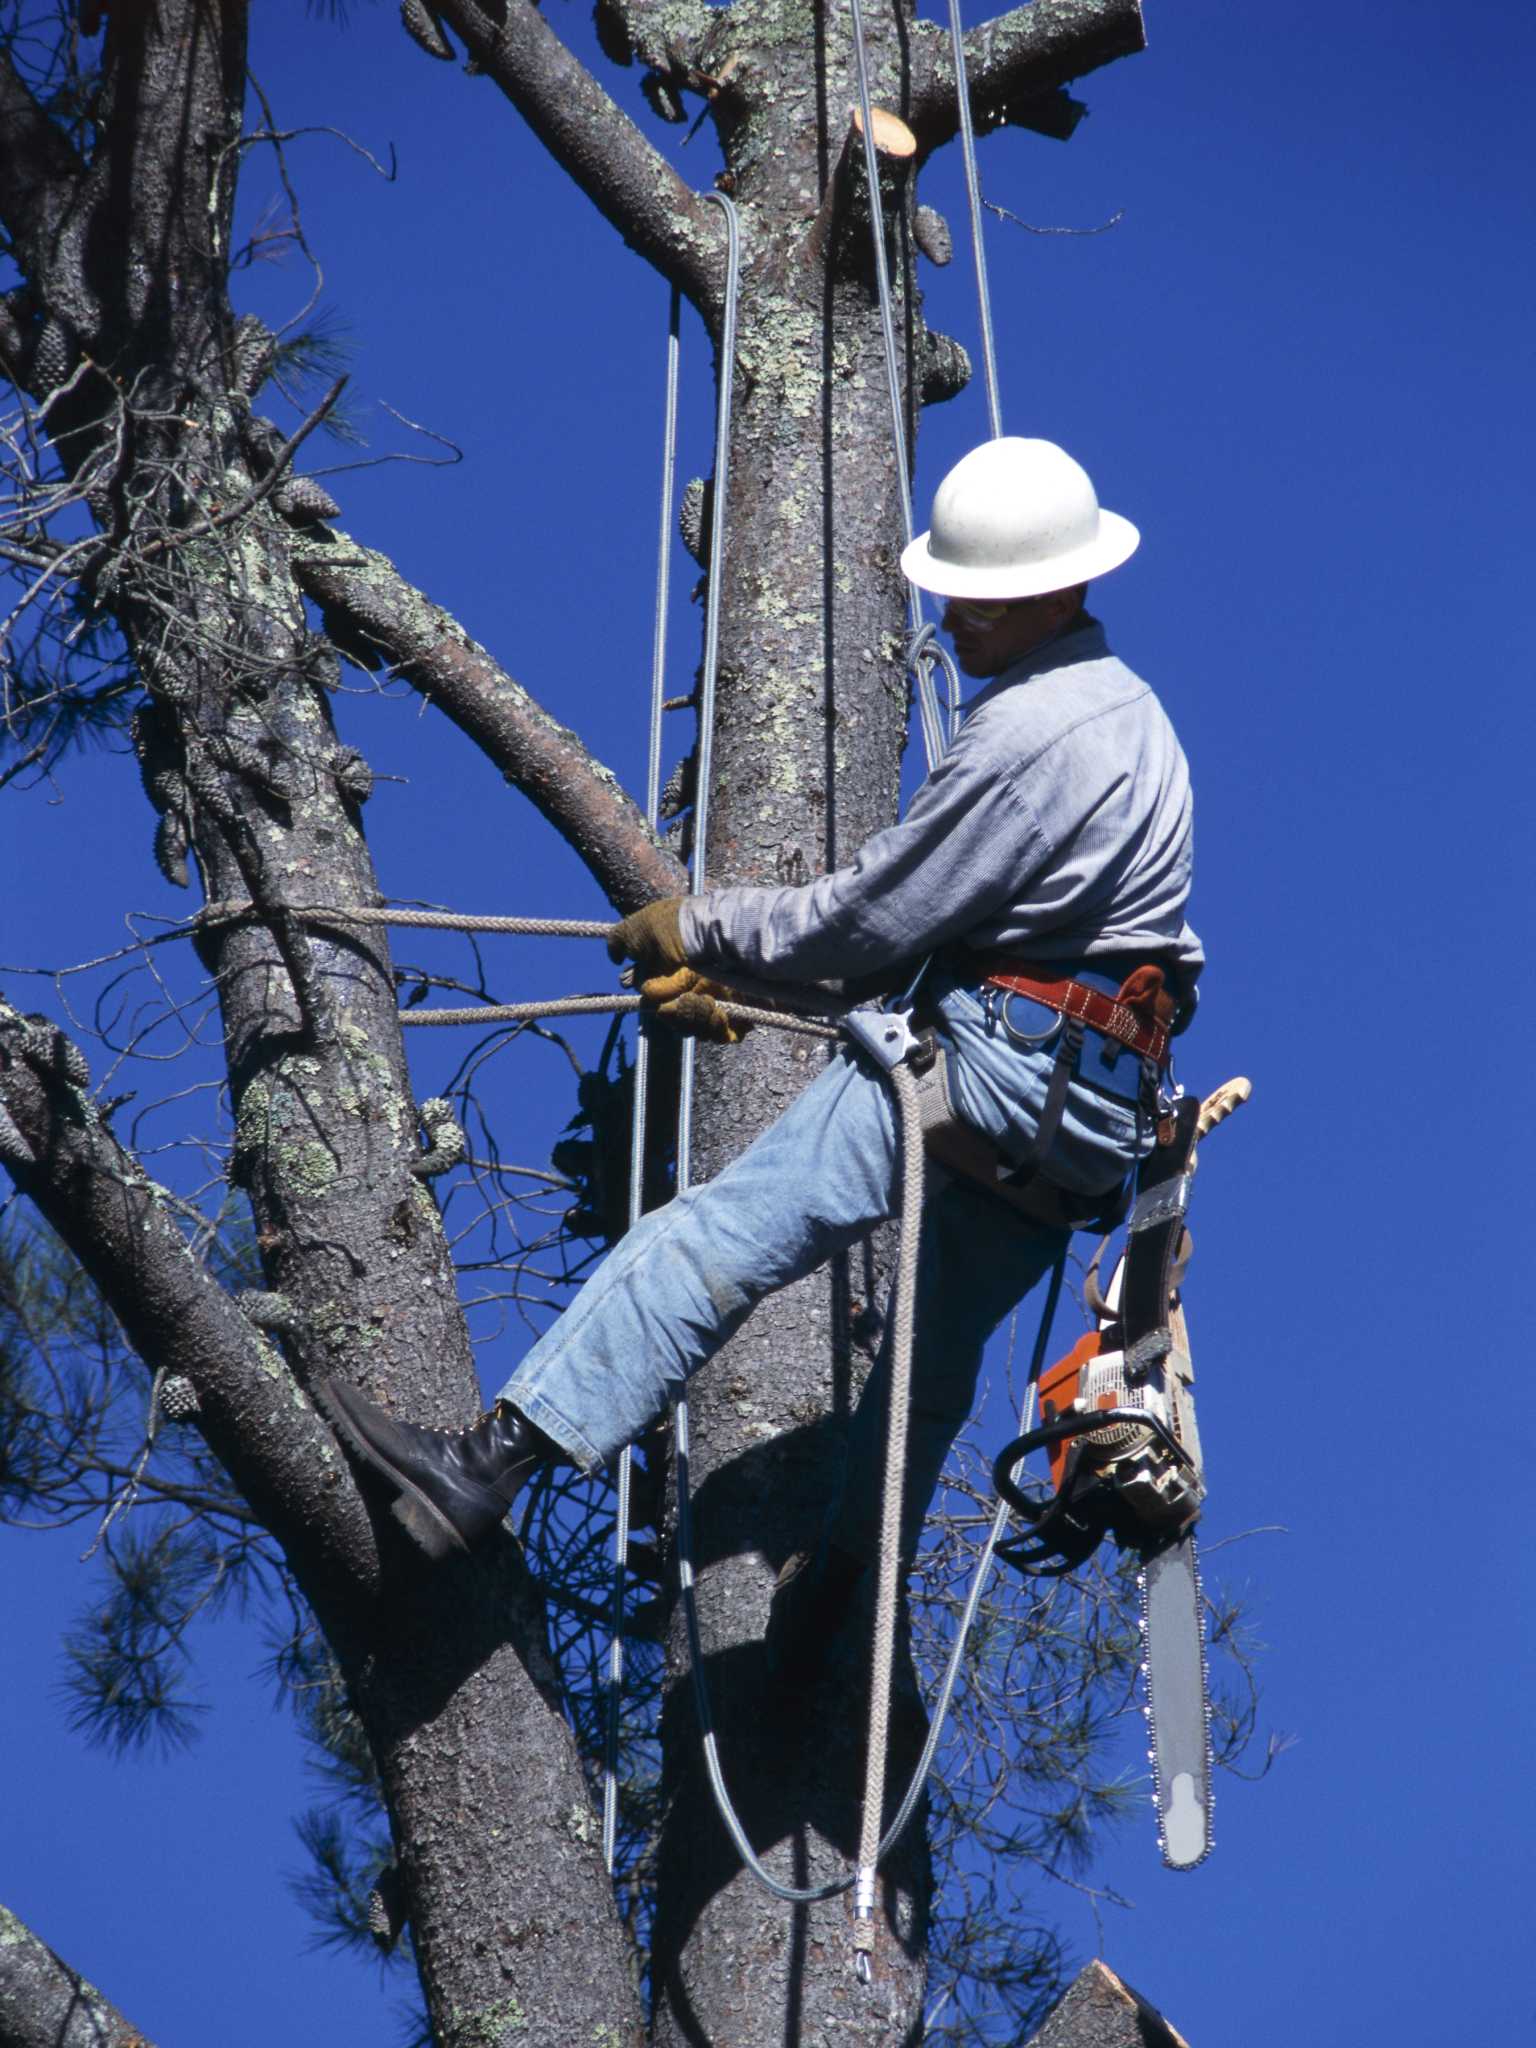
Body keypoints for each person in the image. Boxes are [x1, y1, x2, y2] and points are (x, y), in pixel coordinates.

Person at [323, 437, 1202, 1660]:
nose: (956, 620)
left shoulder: (1027, 738)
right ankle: (844, 1612)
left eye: (983, 601)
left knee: (713, 1236)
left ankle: (481, 1468)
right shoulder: (1141, 722)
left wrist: (702, 928)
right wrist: (749, 982)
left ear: (1057, 590)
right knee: (923, 1388)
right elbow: (1019, 931)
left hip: (991, 1072)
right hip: (1082, 1125)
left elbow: (868, 921)